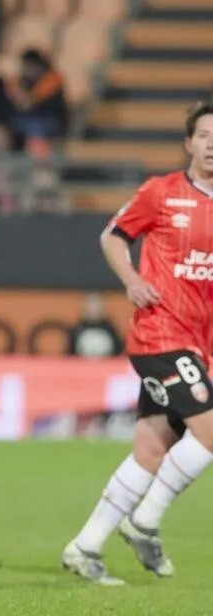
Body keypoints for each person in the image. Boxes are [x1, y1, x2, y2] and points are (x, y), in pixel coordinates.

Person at [62, 101, 213, 585]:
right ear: (189, 143)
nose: (212, 145)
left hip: (199, 343)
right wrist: (131, 280)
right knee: (210, 432)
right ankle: (145, 520)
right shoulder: (161, 192)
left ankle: (85, 546)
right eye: (204, 135)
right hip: (160, 334)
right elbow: (113, 236)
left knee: (151, 447)